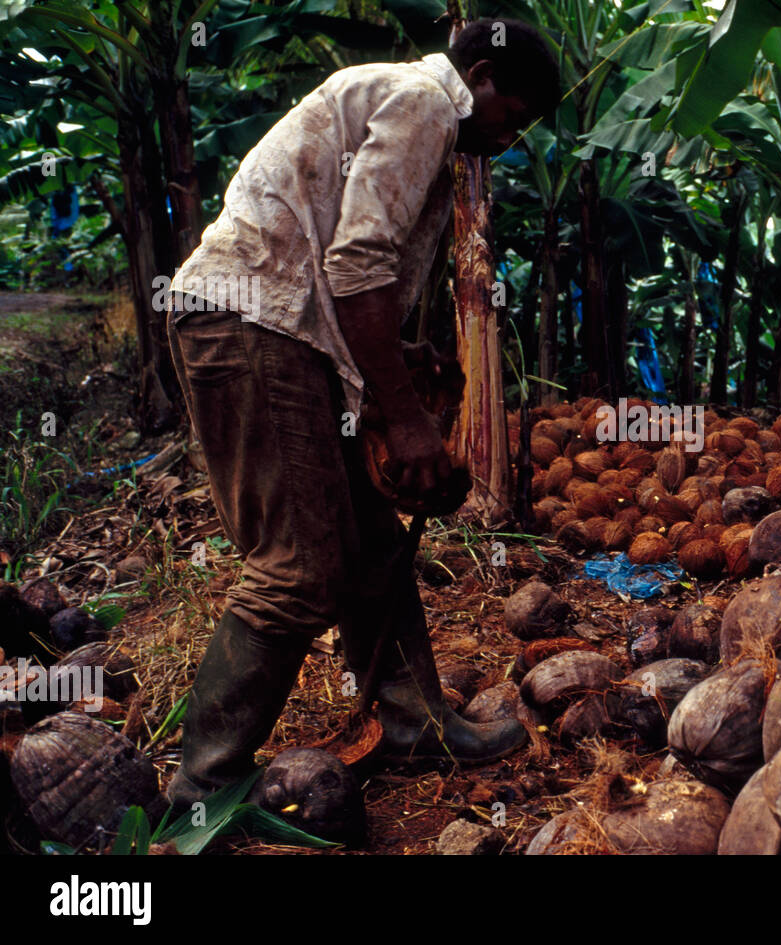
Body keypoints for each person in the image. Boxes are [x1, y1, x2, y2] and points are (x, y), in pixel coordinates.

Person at [163, 19, 561, 808]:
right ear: (479, 78)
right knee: (301, 567)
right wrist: (406, 416)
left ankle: (413, 718)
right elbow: (356, 263)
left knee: (372, 536)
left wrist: (399, 364)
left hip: (282, 324)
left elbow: (336, 264)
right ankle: (201, 783)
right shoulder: (425, 103)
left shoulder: (401, 98)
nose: (509, 141)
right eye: (512, 118)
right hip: (257, 327)